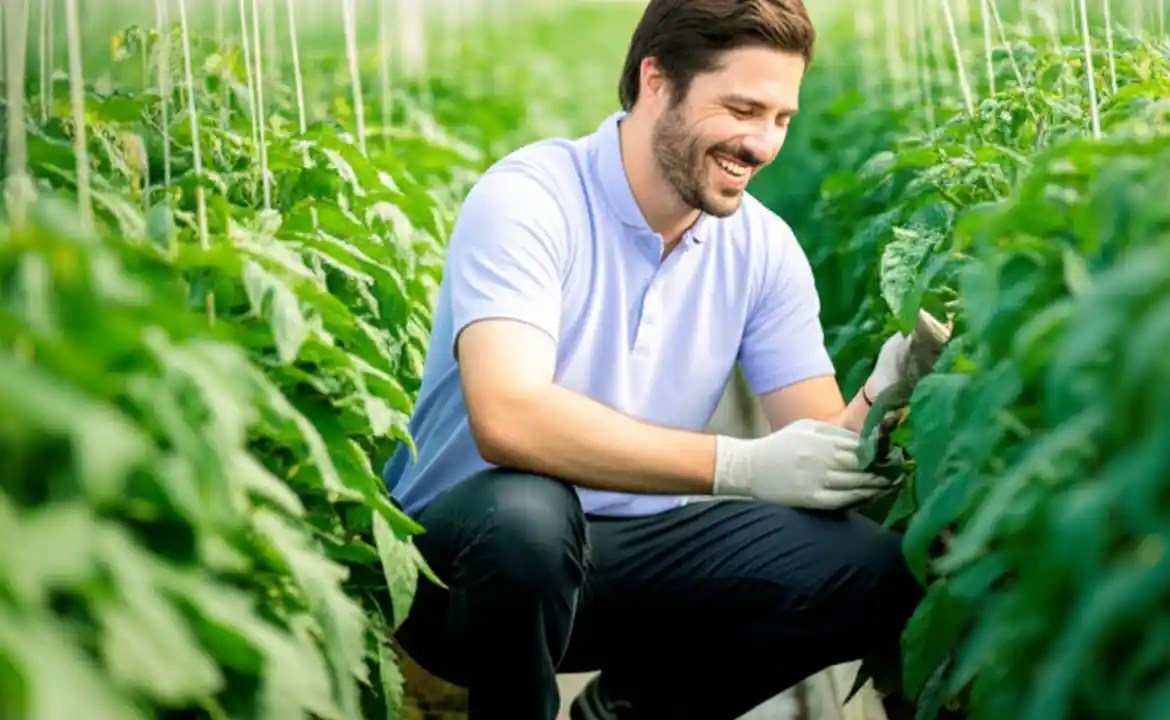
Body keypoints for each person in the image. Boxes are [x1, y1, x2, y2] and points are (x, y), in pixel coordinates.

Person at [383, 1, 946, 717]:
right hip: (465, 578)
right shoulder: (531, 199)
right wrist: (736, 465)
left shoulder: (761, 250)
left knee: (870, 571)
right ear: (656, 81)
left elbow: (819, 455)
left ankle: (620, 712)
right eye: (742, 108)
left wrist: (887, 387)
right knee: (531, 515)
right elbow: (509, 418)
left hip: (625, 566)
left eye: (781, 118)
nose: (762, 144)